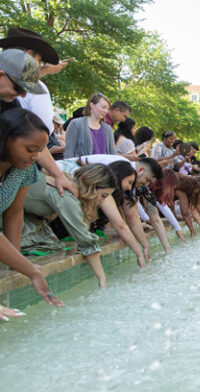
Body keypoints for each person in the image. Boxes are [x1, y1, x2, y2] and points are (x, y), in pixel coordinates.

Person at [21, 164, 128, 287]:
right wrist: (102, 279)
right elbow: (85, 241)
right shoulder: (67, 197)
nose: (103, 201)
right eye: (103, 195)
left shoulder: (68, 186)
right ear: (92, 187)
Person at [0, 108, 64, 312]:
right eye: (30, 149)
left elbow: (14, 212)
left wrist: (15, 263)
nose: (35, 157)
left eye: (40, 150)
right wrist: (32, 271)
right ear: (6, 139)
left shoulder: (23, 170)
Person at [0, 48, 77, 197]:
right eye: (19, 87)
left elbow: (33, 144)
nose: (23, 94)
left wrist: (58, 175)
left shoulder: (11, 103)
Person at [63, 92, 117, 158]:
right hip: (83, 167)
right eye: (103, 107)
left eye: (107, 109)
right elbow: (69, 152)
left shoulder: (108, 129)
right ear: (92, 105)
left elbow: (113, 153)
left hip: (104, 167)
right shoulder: (76, 124)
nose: (105, 111)